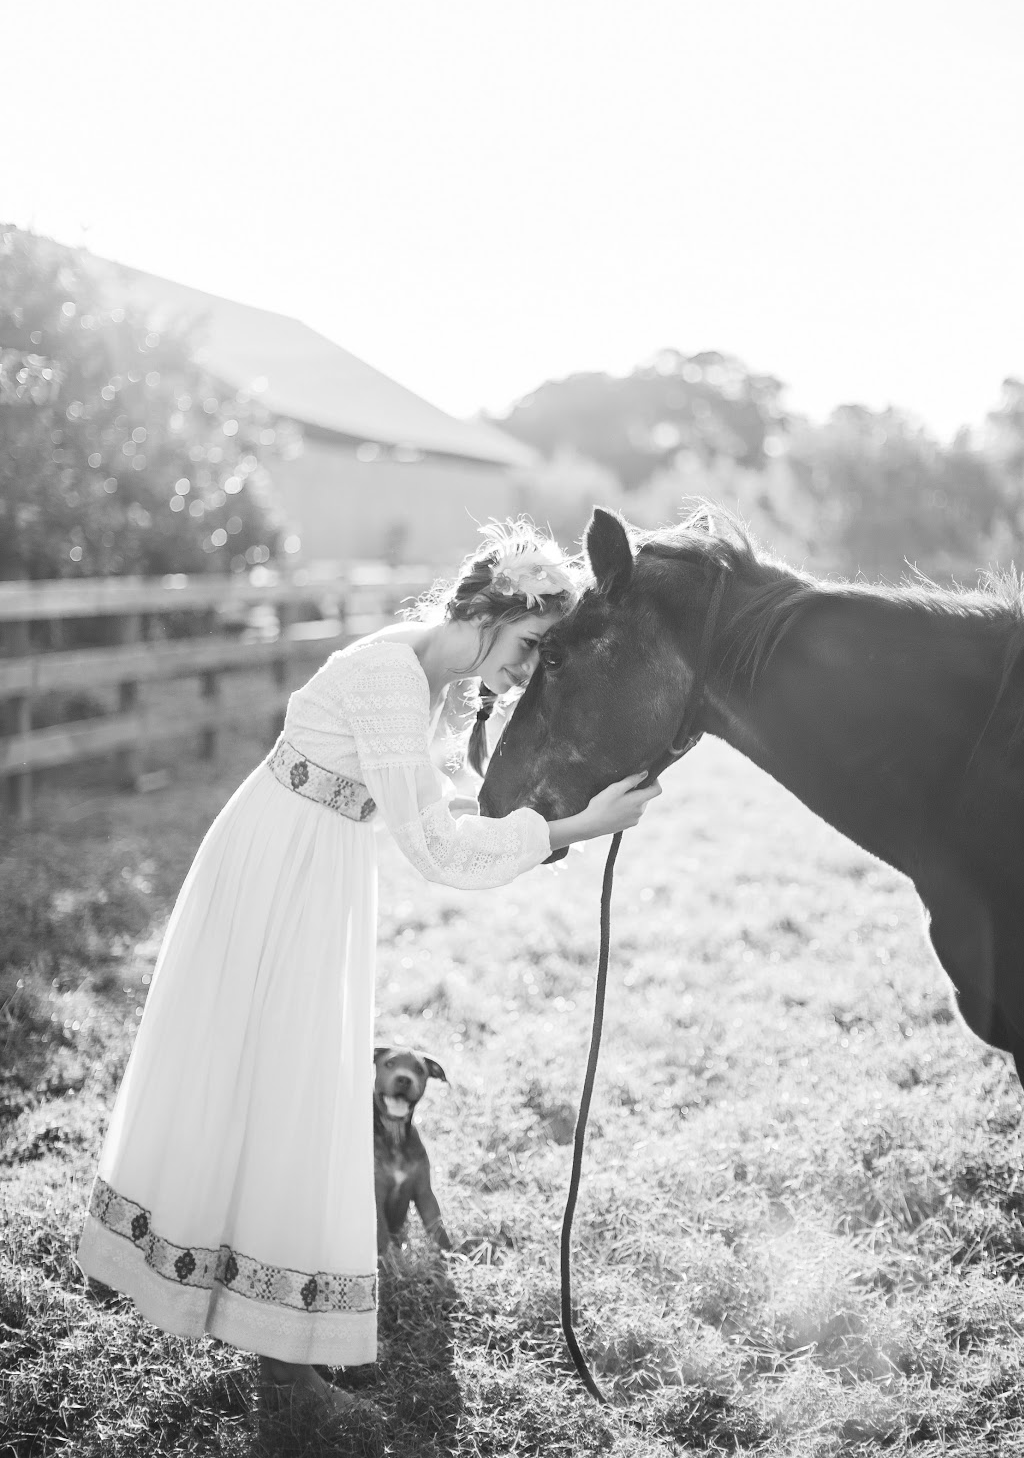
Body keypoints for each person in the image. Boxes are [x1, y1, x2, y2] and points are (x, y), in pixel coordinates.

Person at [76, 520, 660, 1421]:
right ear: (496, 609)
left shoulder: (418, 675)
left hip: (312, 864)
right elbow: (431, 846)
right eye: (533, 645)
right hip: (282, 874)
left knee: (291, 1090)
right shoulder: (394, 676)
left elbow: (421, 808)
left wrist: (560, 804)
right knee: (292, 1092)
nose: (528, 669)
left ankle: (279, 1345)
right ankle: (286, 1374)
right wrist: (577, 828)